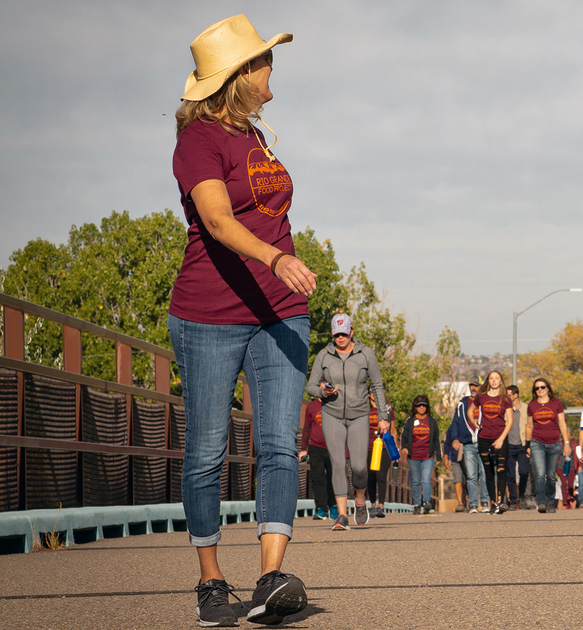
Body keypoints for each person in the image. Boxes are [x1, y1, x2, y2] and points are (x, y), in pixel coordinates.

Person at [171, 15, 315, 626]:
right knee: (206, 450)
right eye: (264, 64)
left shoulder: (255, 138)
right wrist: (277, 256)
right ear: (240, 75)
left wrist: (283, 264)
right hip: (209, 313)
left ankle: (269, 578)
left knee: (280, 445)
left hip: (281, 313)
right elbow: (217, 221)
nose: (271, 73)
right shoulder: (199, 140)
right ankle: (210, 581)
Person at [306, 313, 391, 530]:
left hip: (359, 415)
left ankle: (360, 499)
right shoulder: (324, 356)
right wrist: (323, 392)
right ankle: (342, 516)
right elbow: (310, 386)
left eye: (344, 333)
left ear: (352, 331)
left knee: (360, 467)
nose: (341, 337)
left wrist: (383, 417)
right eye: (337, 334)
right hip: (332, 414)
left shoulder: (366, 354)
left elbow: (378, 386)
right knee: (337, 464)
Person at [467, 371, 514, 514]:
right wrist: (474, 422)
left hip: (500, 437)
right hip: (484, 438)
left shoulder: (505, 398)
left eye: (497, 378)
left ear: (501, 381)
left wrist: (500, 439)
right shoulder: (481, 397)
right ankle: (493, 502)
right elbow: (471, 411)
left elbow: (510, 421)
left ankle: (501, 501)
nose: (494, 381)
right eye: (491, 378)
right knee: (488, 472)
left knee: (501, 470)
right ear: (488, 381)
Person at [525, 377, 571, 513]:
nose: (540, 390)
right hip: (536, 443)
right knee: (540, 474)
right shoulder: (532, 405)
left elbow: (562, 424)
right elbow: (529, 426)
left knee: (551, 475)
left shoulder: (556, 404)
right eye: (537, 388)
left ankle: (551, 501)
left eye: (542, 387)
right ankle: (541, 502)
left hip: (554, 443)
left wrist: (566, 443)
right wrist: (527, 445)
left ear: (548, 389)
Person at [444, 376, 481, 512]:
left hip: (482, 442)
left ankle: (486, 501)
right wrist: (454, 439)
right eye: (472, 385)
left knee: (480, 474)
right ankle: (470, 503)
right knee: (468, 475)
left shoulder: (484, 402)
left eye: (476, 385)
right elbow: (455, 423)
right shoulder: (463, 403)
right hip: (467, 444)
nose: (473, 388)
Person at [400, 394, 441, 515]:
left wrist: (439, 455)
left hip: (428, 456)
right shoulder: (410, 421)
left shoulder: (432, 421)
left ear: (427, 407)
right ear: (415, 407)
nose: (422, 407)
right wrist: (404, 448)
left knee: (427, 479)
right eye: (419, 406)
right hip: (413, 456)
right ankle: (417, 504)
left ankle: (427, 502)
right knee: (416, 481)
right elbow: (404, 436)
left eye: (424, 405)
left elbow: (436, 440)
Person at [300, 399, 335, 520]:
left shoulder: (337, 403)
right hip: (315, 447)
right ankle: (321, 508)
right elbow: (307, 428)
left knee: (334, 478)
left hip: (334, 447)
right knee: (317, 478)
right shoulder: (311, 406)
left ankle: (334, 506)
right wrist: (303, 449)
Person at [505, 385, 531, 510]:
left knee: (524, 472)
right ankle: (513, 500)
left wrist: (528, 445)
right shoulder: (505, 408)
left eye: (508, 395)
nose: (506, 397)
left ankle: (522, 496)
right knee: (510, 475)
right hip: (509, 445)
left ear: (516, 395)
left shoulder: (526, 408)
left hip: (522, 445)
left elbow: (531, 426)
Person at [365, 403, 393, 519]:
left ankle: (381, 506)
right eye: (370, 390)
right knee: (371, 477)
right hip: (368, 448)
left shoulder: (387, 409)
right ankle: (372, 506)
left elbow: (393, 429)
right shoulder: (363, 407)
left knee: (381, 476)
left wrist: (394, 449)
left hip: (384, 447)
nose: (372, 393)